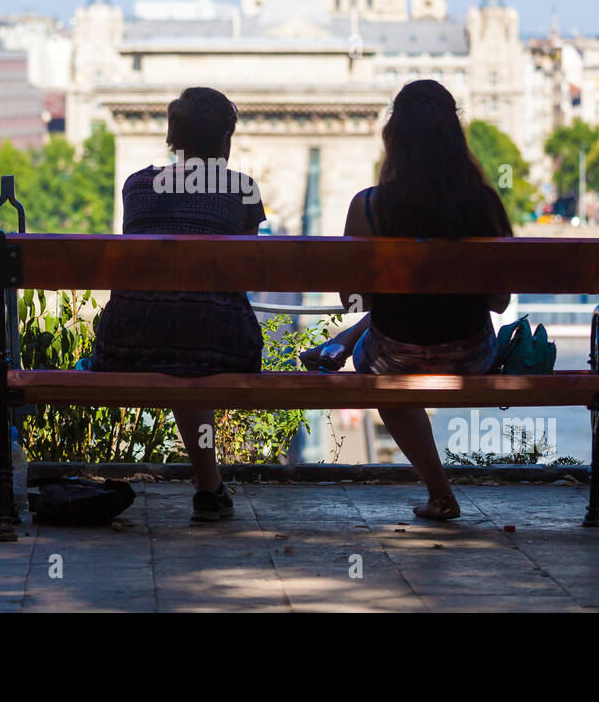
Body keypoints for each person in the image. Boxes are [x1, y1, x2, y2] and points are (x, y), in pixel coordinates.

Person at [300, 79, 512, 521]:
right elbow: (498, 301)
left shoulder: (369, 206)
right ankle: (341, 344)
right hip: (470, 355)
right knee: (390, 331)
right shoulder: (485, 204)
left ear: (393, 137)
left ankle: (439, 491)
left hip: (393, 357)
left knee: (378, 357)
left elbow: (355, 300)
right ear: (455, 135)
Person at [90, 86, 265, 522]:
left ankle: (210, 487)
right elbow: (247, 273)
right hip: (220, 344)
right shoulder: (242, 191)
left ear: (174, 137)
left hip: (129, 343)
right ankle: (208, 488)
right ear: (225, 139)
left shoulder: (137, 186)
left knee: (178, 330)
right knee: (194, 334)